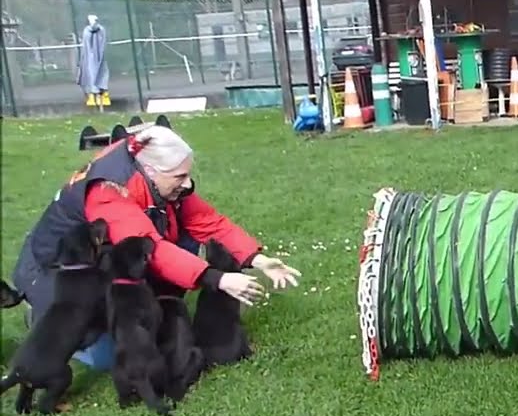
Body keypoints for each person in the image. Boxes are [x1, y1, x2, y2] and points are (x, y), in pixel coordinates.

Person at [11, 125, 302, 371]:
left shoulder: (149, 170)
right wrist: (220, 278)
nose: (188, 184)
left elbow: (205, 220)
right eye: (179, 177)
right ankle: (40, 313)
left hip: (98, 259)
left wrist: (258, 259)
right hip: (54, 269)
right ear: (150, 170)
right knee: (105, 357)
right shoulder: (109, 192)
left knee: (148, 322)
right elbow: (156, 251)